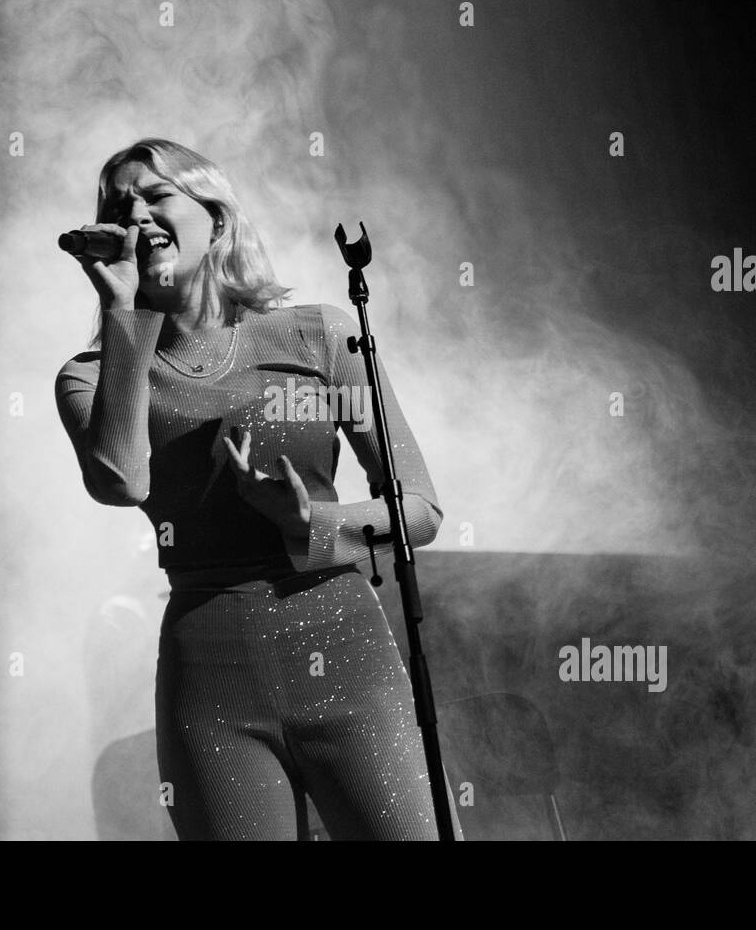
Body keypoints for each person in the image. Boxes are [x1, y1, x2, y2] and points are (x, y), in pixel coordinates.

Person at [55, 137, 458, 840]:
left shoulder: (319, 337)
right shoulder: (91, 372)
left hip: (348, 655)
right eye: (120, 206)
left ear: (214, 221)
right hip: (211, 674)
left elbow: (418, 510)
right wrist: (124, 312)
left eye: (156, 197)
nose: (135, 215)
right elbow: (121, 482)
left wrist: (315, 525)